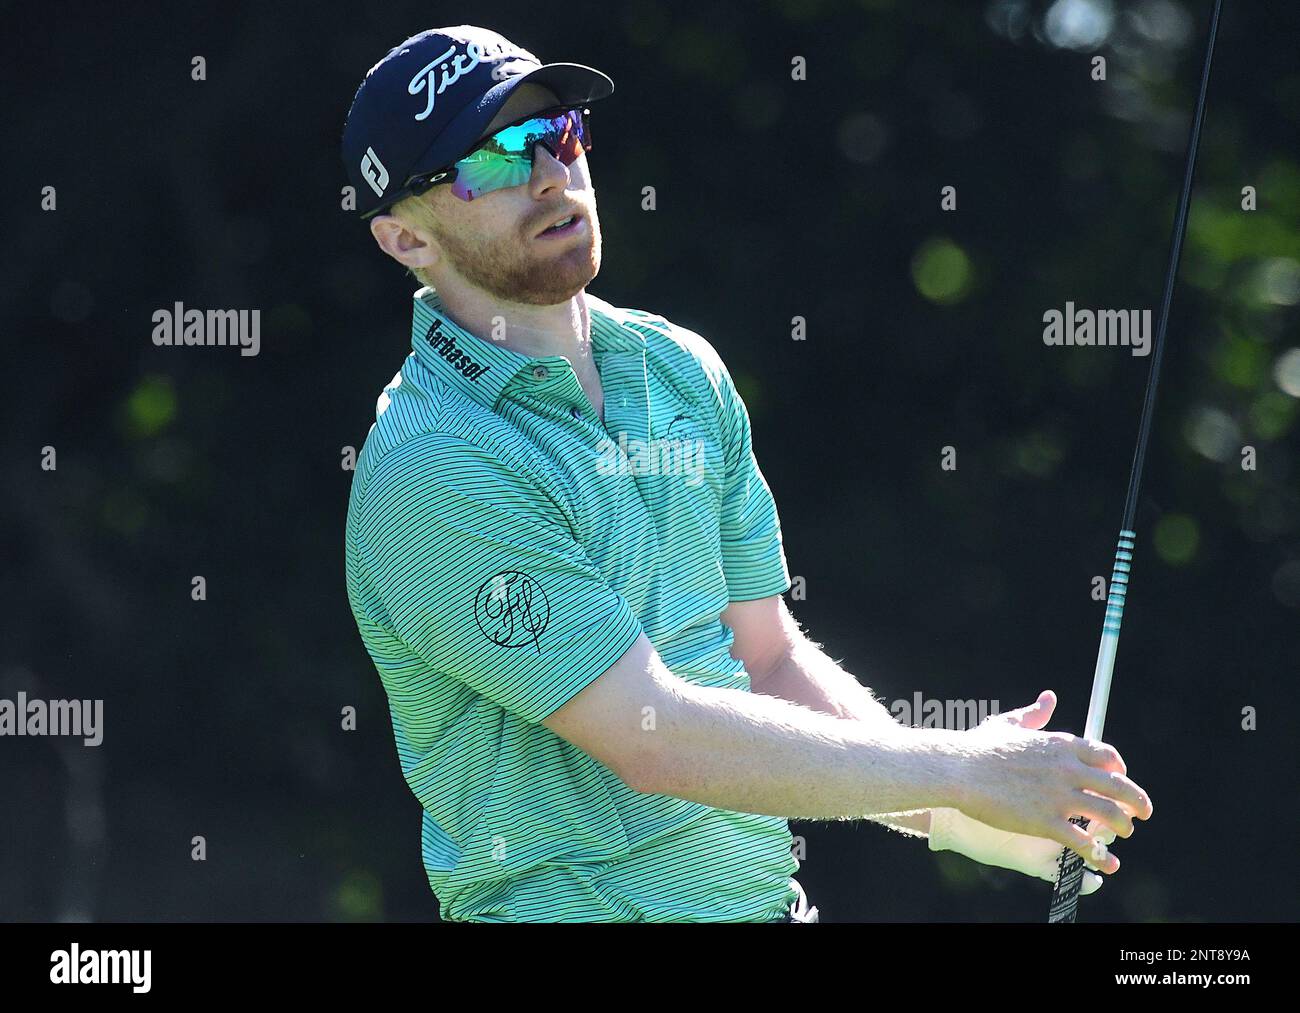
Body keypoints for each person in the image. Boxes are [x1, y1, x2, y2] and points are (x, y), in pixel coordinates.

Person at [340, 25, 1152, 923]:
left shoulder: (680, 369)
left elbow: (765, 658)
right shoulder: (433, 464)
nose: (545, 175)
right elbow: (652, 733)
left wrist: (958, 812)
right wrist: (958, 770)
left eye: (557, 131)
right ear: (404, 239)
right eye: (487, 161)